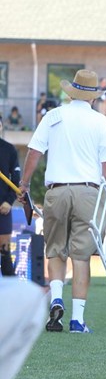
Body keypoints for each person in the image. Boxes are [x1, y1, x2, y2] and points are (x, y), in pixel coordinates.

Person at [18, 70, 106, 334]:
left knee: (55, 250)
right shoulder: (100, 121)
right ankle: (77, 320)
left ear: (71, 93)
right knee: (81, 256)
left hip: (57, 190)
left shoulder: (53, 116)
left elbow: (34, 152)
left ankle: (56, 300)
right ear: (93, 97)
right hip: (88, 192)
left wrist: (24, 184)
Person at [0, 117, 22, 275]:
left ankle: (10, 288)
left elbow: (16, 180)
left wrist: (9, 201)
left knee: (5, 253)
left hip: (3, 208)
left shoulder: (9, 150)